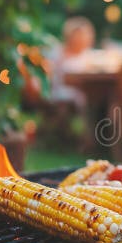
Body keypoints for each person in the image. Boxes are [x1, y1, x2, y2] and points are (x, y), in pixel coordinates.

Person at [41, 16, 94, 149]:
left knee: (92, 98)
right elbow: (51, 77)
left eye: (84, 35)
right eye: (78, 35)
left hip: (81, 91)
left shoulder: (88, 55)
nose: (81, 39)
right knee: (83, 98)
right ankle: (86, 139)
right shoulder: (57, 52)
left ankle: (92, 138)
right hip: (58, 90)